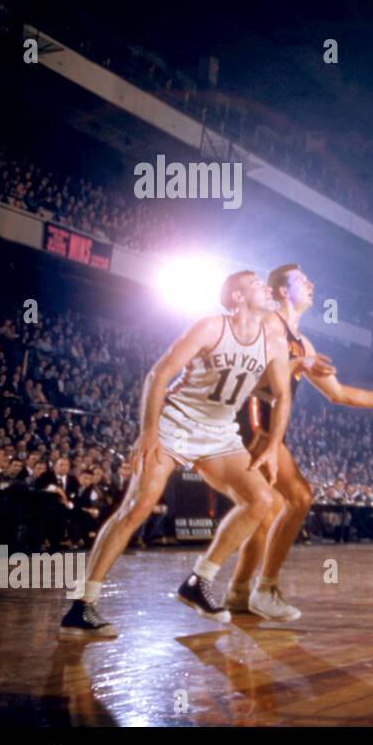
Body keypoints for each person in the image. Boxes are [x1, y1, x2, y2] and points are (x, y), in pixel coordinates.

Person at [59, 270, 293, 639]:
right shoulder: (210, 327)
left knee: (262, 500)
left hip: (219, 433)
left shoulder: (275, 342)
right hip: (176, 423)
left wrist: (273, 446)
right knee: (139, 505)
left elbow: (282, 396)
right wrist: (149, 430)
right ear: (236, 296)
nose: (265, 287)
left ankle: (199, 581)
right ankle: (82, 605)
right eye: (255, 283)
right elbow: (159, 374)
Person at [223, 264, 373, 620]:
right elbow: (253, 374)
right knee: (300, 497)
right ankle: (265, 588)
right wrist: (299, 364)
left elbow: (339, 393)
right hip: (250, 422)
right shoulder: (270, 322)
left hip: (267, 430)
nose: (311, 283)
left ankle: (238, 592)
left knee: (268, 513)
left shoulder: (303, 341)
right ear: (283, 291)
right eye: (302, 280)